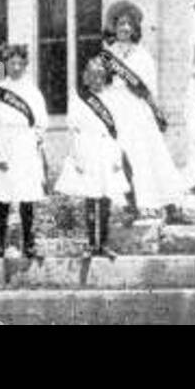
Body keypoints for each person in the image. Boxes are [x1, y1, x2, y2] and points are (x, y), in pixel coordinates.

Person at [101, 0, 186, 223]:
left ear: (135, 28)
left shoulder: (142, 55)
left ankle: (169, 206)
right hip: (114, 109)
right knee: (121, 158)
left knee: (150, 156)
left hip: (137, 110)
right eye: (120, 24)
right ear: (113, 27)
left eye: (129, 24)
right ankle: (131, 206)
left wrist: (153, 111)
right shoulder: (106, 55)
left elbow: (149, 89)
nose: (125, 28)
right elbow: (100, 87)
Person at [55, 55, 128, 260]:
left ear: (105, 77)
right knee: (90, 197)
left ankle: (103, 244)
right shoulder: (78, 98)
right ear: (86, 77)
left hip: (106, 148)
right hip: (86, 148)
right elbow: (73, 130)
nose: (97, 79)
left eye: (101, 75)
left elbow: (118, 131)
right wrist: (76, 157)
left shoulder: (113, 99)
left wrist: (117, 157)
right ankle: (90, 244)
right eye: (93, 75)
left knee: (105, 198)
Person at [0, 43, 48, 260]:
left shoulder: (32, 92)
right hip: (4, 144)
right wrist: (0, 154)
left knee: (27, 197)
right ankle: (1, 244)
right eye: (12, 63)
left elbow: (41, 123)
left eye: (20, 63)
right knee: (3, 197)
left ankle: (28, 244)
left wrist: (35, 142)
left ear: (26, 65)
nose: (16, 67)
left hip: (25, 145)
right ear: (5, 64)